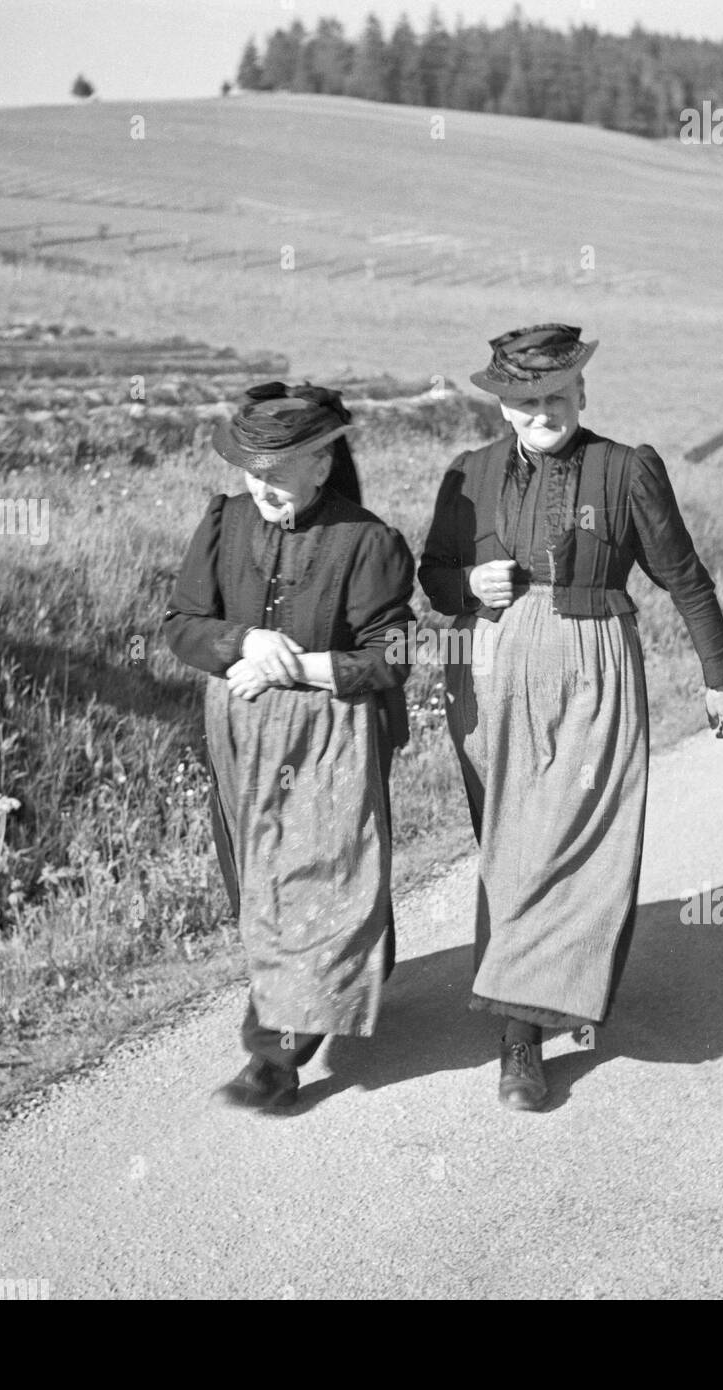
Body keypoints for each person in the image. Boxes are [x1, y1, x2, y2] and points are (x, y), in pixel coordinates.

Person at [419, 324, 723, 1111]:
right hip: (491, 671)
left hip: (595, 666)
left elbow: (685, 576)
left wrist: (720, 677)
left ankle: (520, 1040)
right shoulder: (469, 475)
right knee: (512, 844)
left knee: (579, 841)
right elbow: (433, 578)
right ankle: (533, 994)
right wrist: (471, 585)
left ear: (582, 394)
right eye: (525, 400)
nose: (542, 412)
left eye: (556, 396)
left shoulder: (625, 471)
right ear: (502, 406)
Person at [164, 382, 416, 1109]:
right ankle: (357, 961)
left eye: (279, 470)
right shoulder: (223, 522)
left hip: (332, 732)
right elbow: (181, 623)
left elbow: (393, 654)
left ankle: (272, 1061)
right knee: (258, 882)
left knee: (316, 877)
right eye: (253, 470)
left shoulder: (367, 542)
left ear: (321, 464)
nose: (263, 486)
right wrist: (243, 640)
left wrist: (300, 665)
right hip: (239, 731)